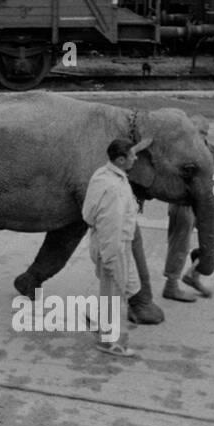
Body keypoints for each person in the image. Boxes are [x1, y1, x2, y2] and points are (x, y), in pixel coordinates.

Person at [82, 137, 150, 357]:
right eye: (132, 155)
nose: (135, 158)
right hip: (114, 246)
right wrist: (111, 258)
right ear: (121, 160)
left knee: (122, 289)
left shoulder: (103, 174)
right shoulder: (114, 188)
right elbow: (111, 226)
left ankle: (99, 322)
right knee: (115, 294)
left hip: (111, 243)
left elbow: (89, 214)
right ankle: (111, 342)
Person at [163, 127, 214, 302]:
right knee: (179, 245)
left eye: (200, 133)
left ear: (206, 133)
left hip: (206, 206)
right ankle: (171, 286)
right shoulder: (180, 151)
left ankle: (194, 274)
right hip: (182, 203)